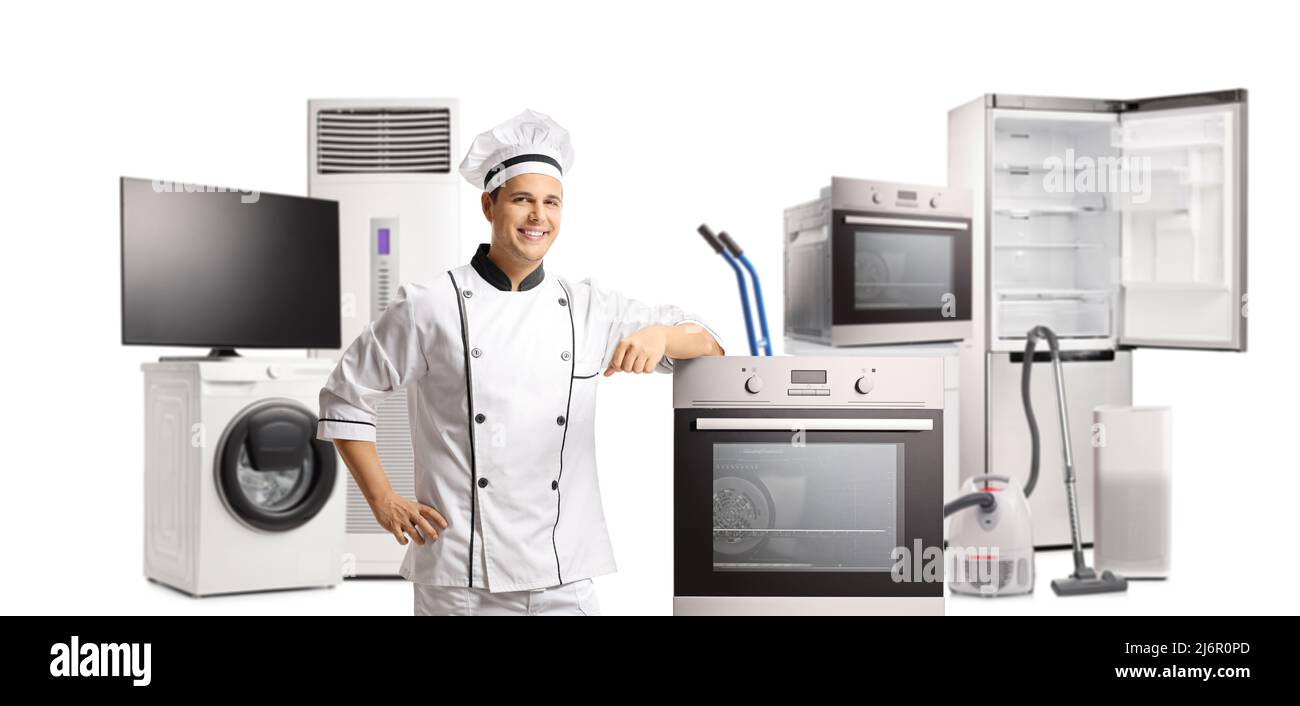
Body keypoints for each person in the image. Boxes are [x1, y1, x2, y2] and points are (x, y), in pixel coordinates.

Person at [316, 109, 724, 615]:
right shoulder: (431, 305)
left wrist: (661, 334)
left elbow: (709, 345)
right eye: (522, 199)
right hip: (460, 579)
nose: (539, 216)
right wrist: (382, 499)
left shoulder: (588, 307)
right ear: (489, 205)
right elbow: (345, 395)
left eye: (552, 202)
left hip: (563, 573)